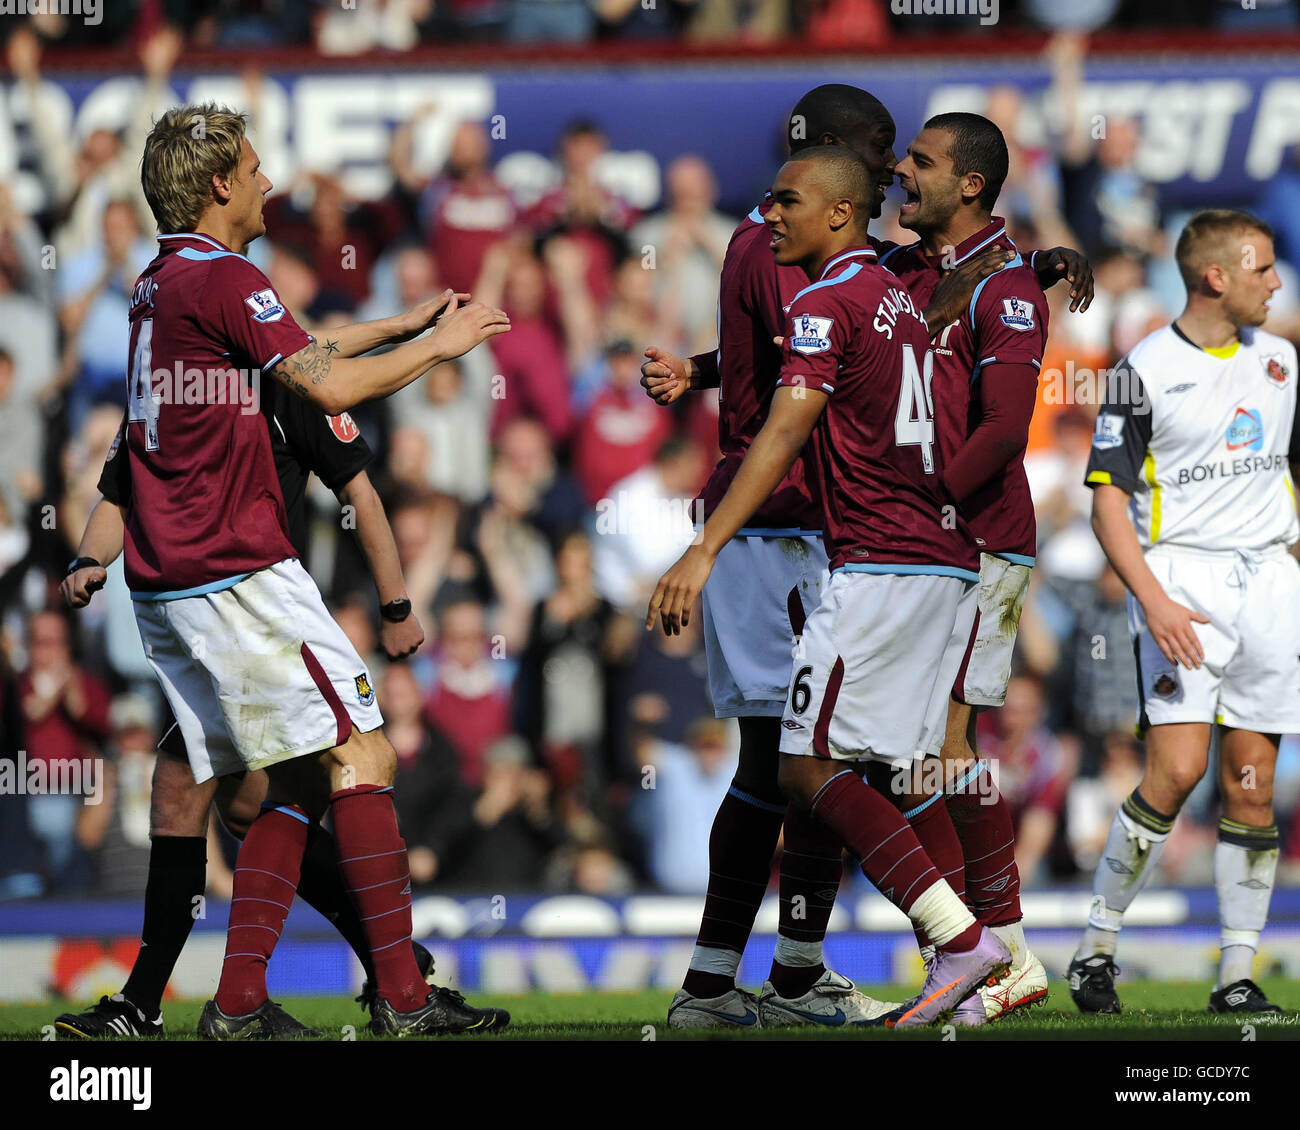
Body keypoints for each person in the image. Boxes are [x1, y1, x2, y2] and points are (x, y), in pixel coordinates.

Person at [639, 83, 1089, 1030]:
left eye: (911, 160)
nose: (897, 171)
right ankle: (774, 976)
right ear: (841, 168)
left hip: (854, 536)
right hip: (818, 533)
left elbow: (830, 365)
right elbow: (814, 360)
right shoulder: (815, 259)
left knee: (841, 761)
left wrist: (1026, 267)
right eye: (889, 152)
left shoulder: (866, 272)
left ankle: (932, 952)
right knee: (807, 761)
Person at [63, 101, 508, 1039]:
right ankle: (405, 996)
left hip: (172, 584)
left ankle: (230, 1004)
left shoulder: (160, 289)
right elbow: (327, 383)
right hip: (237, 572)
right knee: (364, 754)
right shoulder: (230, 276)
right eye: (259, 169)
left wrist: (402, 319)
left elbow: (300, 357)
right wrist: (441, 346)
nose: (273, 184)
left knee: (289, 780)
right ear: (221, 184)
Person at [52, 375, 502, 1036]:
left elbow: (357, 480)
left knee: (273, 786)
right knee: (246, 789)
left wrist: (396, 602)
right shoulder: (161, 394)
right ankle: (379, 978)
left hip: (251, 623)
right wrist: (90, 556)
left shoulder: (285, 383)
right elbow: (116, 496)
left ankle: (194, 1002)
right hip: (210, 628)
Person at [1069, 209, 1299, 1015]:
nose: (1277, 281)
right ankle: (1095, 947)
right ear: (1216, 277)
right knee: (1177, 771)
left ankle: (1236, 977)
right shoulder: (1142, 370)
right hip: (1182, 586)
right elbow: (1104, 506)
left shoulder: (1282, 361)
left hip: (1270, 582)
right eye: (1264, 268)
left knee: (1252, 782)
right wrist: (1154, 600)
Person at [876, 111, 1058, 1020]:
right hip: (924, 540)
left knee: (939, 753)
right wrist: (703, 372)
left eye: (922, 162)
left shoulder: (1007, 288)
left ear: (972, 184)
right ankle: (991, 953)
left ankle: (998, 954)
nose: (904, 173)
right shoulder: (914, 272)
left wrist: (933, 498)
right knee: (919, 755)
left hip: (980, 541)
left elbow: (1004, 427)